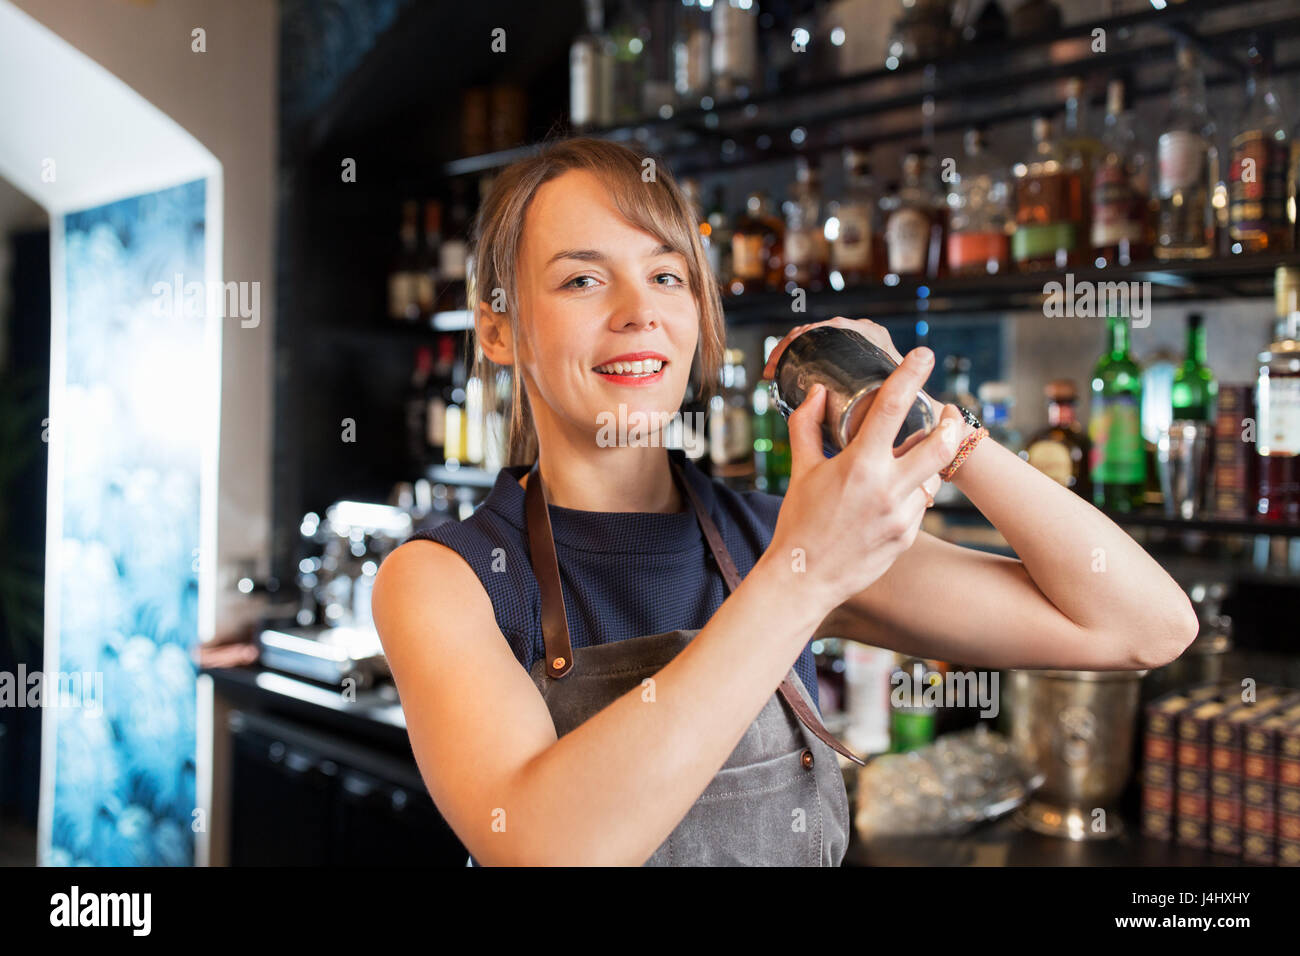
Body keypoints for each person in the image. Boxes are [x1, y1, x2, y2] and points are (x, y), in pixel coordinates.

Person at [371, 137, 1198, 867]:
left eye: (668, 275)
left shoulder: (776, 534)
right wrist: (803, 579)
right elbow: (548, 847)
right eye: (584, 279)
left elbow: (1144, 627)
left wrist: (928, 427)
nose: (640, 313)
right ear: (499, 332)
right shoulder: (447, 581)